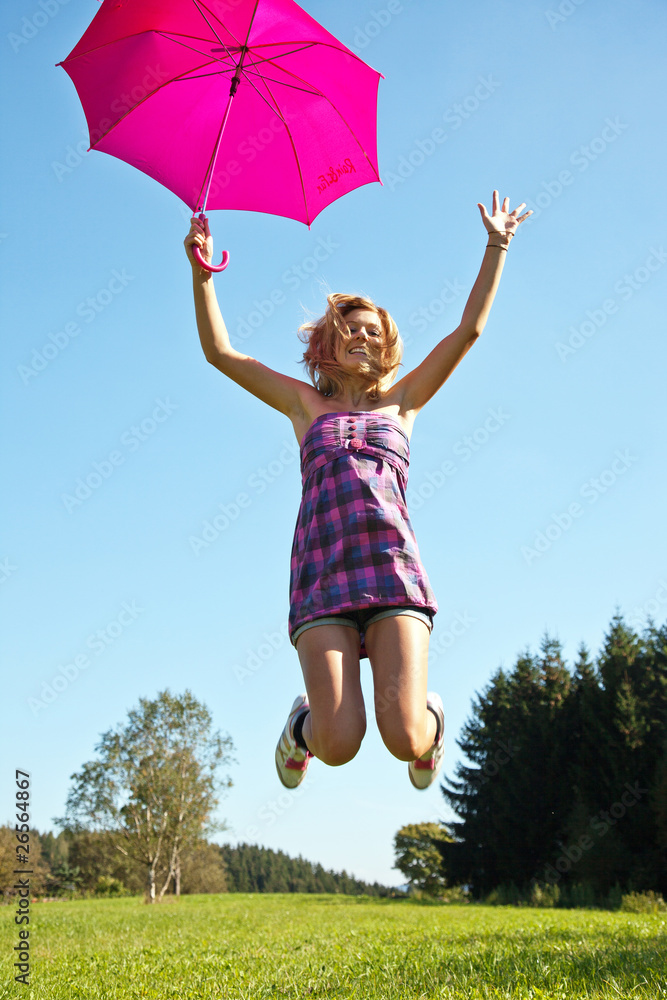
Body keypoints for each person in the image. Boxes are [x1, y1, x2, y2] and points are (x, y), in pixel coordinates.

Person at [184, 191, 531, 792]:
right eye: (349, 328)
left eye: (373, 330)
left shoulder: (404, 402)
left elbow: (468, 330)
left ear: (386, 344)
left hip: (392, 568)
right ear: (327, 343)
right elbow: (220, 353)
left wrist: (496, 245)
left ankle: (432, 723)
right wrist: (202, 272)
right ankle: (301, 729)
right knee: (340, 743)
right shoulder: (303, 405)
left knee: (405, 737)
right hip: (323, 572)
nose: (362, 336)